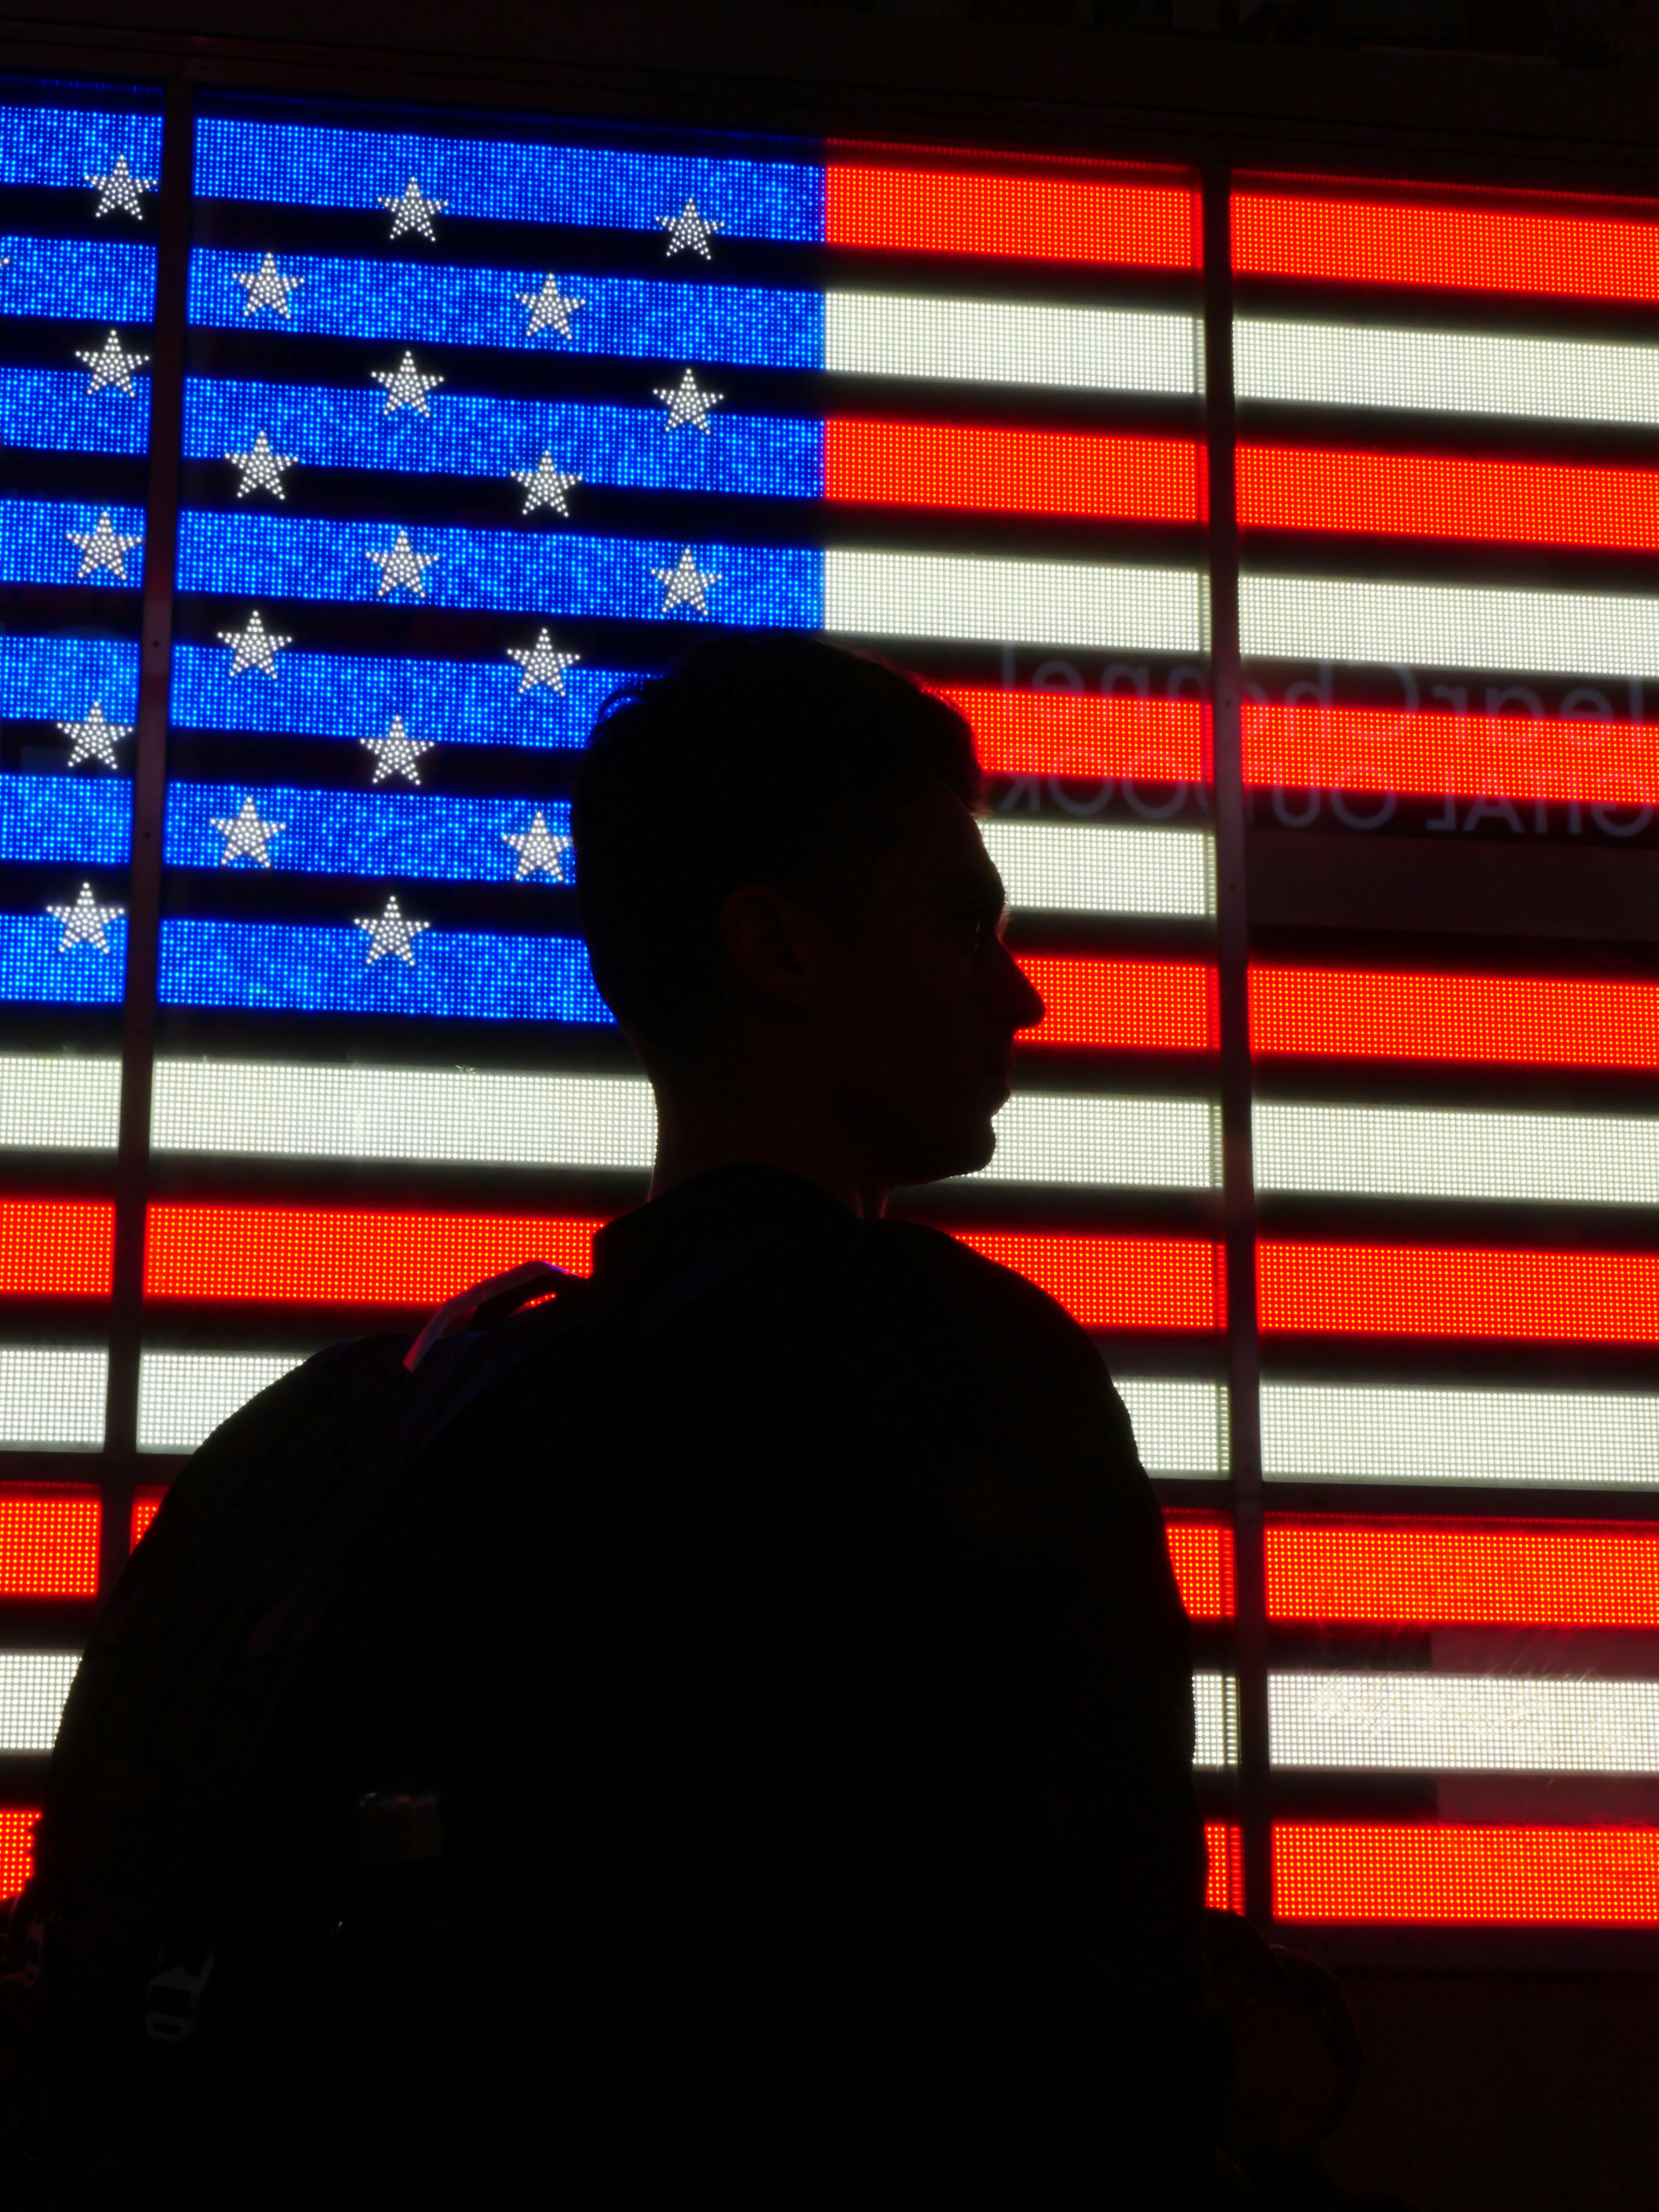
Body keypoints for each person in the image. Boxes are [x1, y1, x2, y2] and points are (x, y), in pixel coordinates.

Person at [325, 637, 1226, 2203]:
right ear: (776, 948)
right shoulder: (963, 1375)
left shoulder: (474, 1399)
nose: (1020, 991)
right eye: (964, 919)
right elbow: (1099, 1967)